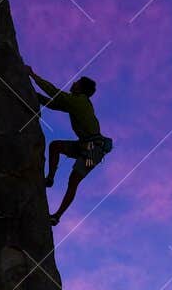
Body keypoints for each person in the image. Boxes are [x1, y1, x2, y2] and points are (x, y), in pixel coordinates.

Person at [28, 65, 113, 225]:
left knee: (73, 180)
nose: (73, 83)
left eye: (77, 82)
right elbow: (55, 104)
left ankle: (57, 216)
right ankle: (50, 179)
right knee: (55, 146)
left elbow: (55, 94)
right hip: (85, 145)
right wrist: (34, 95)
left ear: (81, 88)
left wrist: (33, 75)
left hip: (95, 149)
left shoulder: (80, 102)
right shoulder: (75, 102)